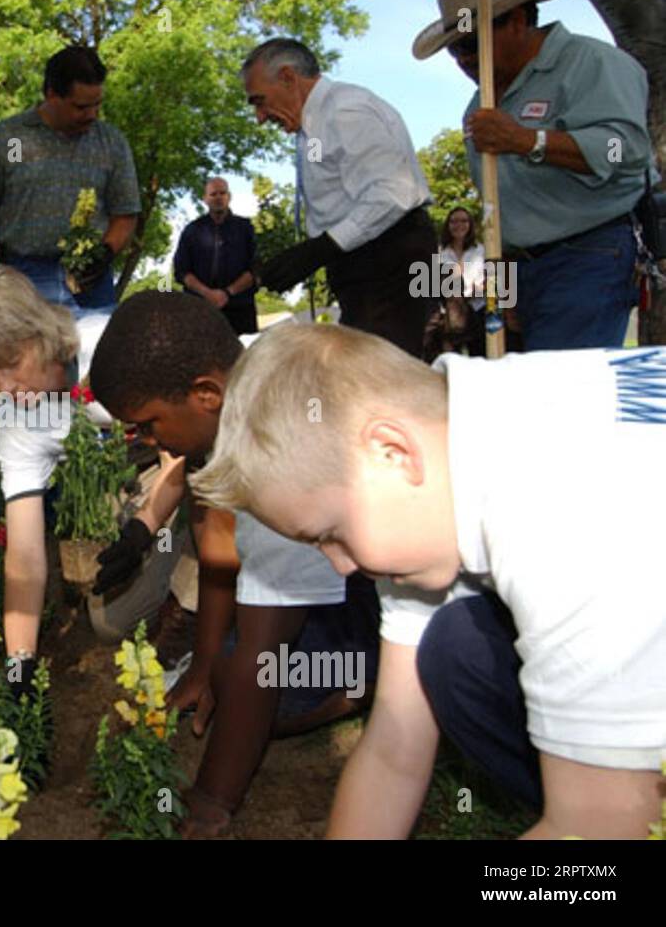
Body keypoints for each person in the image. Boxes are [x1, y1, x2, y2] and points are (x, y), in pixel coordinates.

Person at [189, 322, 666, 839]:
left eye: (331, 534)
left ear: (392, 453)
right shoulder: (466, 431)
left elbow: (599, 833)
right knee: (456, 649)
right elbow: (395, 748)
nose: (341, 566)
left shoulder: (563, 516)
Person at [90, 293, 378, 838]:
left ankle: (367, 683)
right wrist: (201, 667)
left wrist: (210, 801)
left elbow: (264, 648)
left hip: (384, 602)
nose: (149, 443)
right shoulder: (242, 378)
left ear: (204, 394)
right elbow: (219, 548)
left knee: (260, 686)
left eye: (149, 425)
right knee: (222, 671)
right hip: (340, 580)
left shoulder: (277, 446)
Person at [0, 265, 196, 685]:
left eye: (9, 363)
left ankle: (203, 608)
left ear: (39, 335)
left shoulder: (114, 344)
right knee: (112, 623)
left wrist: (144, 527)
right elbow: (23, 553)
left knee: (215, 488)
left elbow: (198, 438)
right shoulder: (17, 416)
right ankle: (187, 576)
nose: (4, 387)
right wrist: (18, 664)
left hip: (195, 457)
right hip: (133, 478)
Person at [413, 0, 652, 351]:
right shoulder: (481, 103)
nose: (465, 58)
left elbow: (626, 150)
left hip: (588, 255)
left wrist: (529, 141)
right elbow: (502, 203)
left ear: (518, 21)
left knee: (564, 388)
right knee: (529, 389)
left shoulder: (592, 62)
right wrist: (506, 283)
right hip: (521, 269)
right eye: (455, 48)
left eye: (473, 43)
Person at [245, 38, 435, 358]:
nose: (260, 117)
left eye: (260, 101)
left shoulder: (346, 109)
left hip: (390, 262)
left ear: (289, 78)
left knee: (382, 380)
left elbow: (392, 193)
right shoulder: (314, 125)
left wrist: (319, 250)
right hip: (363, 267)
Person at [0, 47, 140, 313]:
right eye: (81, 106)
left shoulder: (111, 143)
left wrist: (104, 254)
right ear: (51, 94)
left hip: (91, 283)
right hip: (22, 281)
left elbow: (125, 214)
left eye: (98, 104)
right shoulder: (11, 139)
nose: (92, 114)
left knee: (97, 355)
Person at [173, 178, 259, 335]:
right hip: (200, 310)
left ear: (229, 196)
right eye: (213, 194)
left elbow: (255, 268)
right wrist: (208, 294)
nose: (218, 197)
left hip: (240, 310)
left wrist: (227, 293)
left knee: (244, 357)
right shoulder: (192, 231)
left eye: (222, 193)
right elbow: (181, 271)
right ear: (205, 198)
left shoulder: (245, 228)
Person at [428, 206, 487, 357]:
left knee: (479, 357)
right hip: (450, 315)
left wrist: (480, 290)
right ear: (448, 225)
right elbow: (433, 286)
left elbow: (493, 280)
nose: (459, 225)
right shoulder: (439, 252)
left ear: (470, 224)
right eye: (454, 221)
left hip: (478, 310)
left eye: (463, 221)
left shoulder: (482, 250)